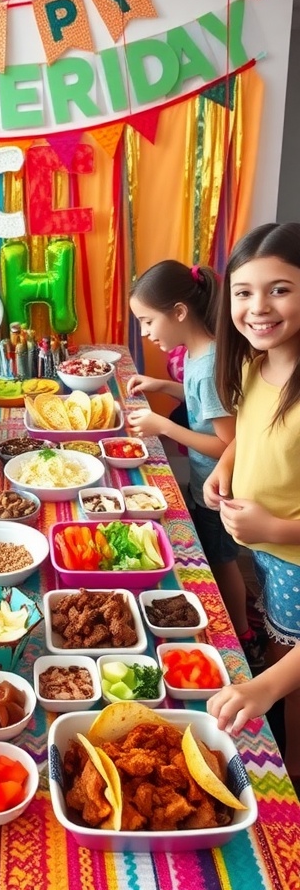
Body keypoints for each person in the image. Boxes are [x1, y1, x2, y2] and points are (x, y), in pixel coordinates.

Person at [125, 259, 262, 668]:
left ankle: (242, 633)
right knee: (213, 555)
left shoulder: (205, 367)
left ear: (179, 312)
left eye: (149, 322)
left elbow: (228, 443)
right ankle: (241, 626)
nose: (147, 334)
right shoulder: (202, 354)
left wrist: (163, 426)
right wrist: (164, 386)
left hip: (219, 489)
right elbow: (205, 408)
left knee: (221, 561)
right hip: (206, 482)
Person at [203, 221, 300, 789]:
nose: (258, 307)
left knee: (288, 687)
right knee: (279, 651)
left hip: (291, 561)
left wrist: (276, 528)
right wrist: (224, 465)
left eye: (280, 289)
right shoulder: (253, 364)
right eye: (244, 291)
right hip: (266, 557)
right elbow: (248, 433)